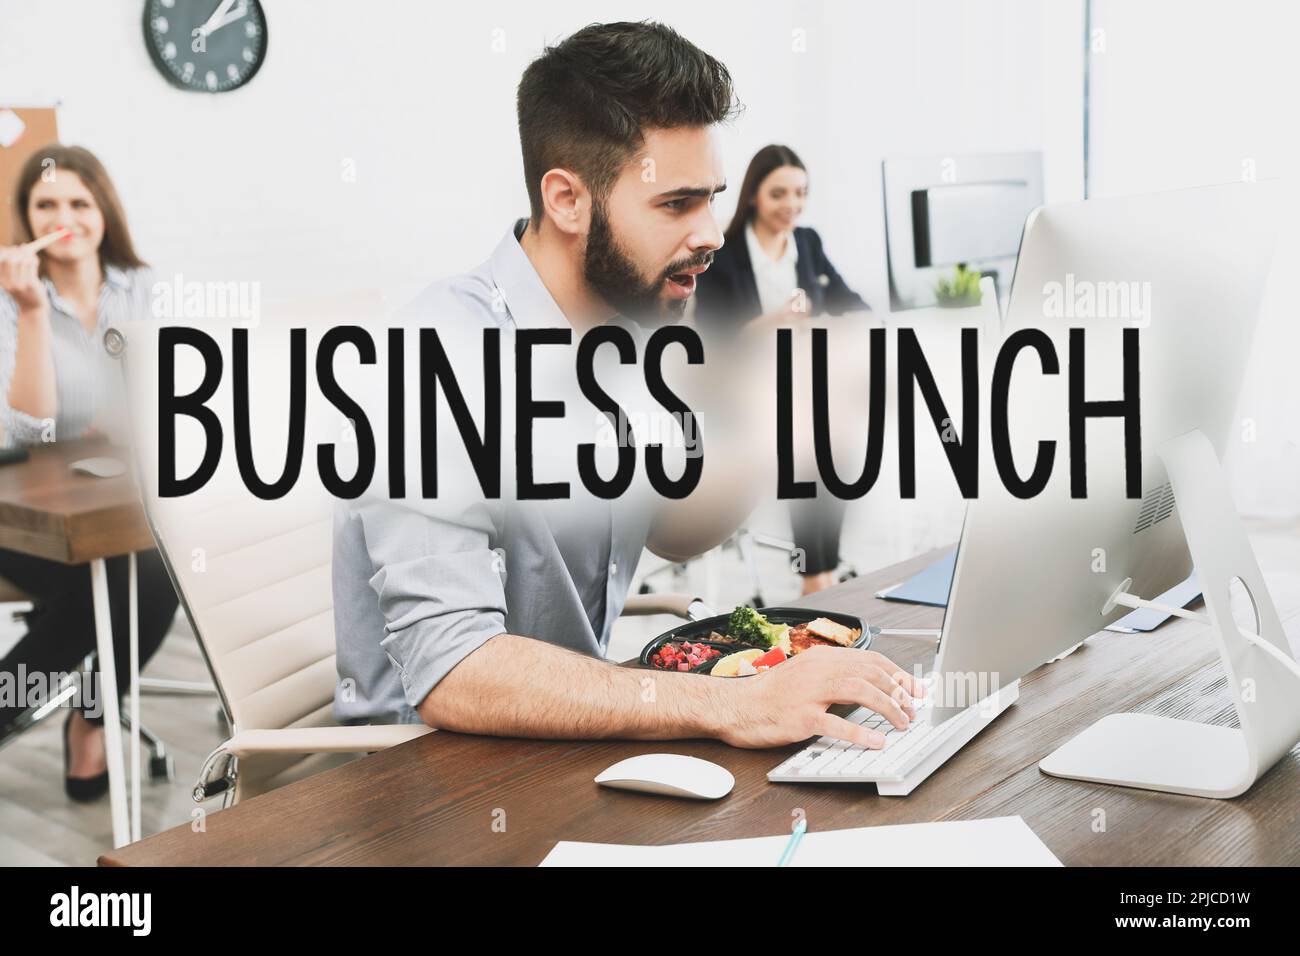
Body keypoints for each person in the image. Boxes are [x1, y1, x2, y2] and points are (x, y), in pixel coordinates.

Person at [333, 22, 921, 751]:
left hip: (568, 746)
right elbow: (455, 667)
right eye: (677, 205)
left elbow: (675, 527)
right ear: (568, 200)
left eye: (711, 198)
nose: (711, 233)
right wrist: (728, 704)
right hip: (424, 782)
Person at [0, 144, 179, 801]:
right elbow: (31, 426)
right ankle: (73, 722)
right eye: (47, 204)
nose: (65, 215)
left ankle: (92, 716)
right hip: (25, 512)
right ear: (27, 217)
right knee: (108, 589)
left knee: (150, 578)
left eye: (79, 201)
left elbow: (169, 400)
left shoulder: (142, 288)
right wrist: (30, 311)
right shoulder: (11, 297)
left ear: (103, 210)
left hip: (116, 502)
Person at [694, 144, 870, 594]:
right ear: (754, 195)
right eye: (779, 194)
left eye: (800, 193)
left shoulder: (806, 244)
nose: (792, 205)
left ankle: (819, 573)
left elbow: (852, 303)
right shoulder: (725, 253)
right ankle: (817, 576)